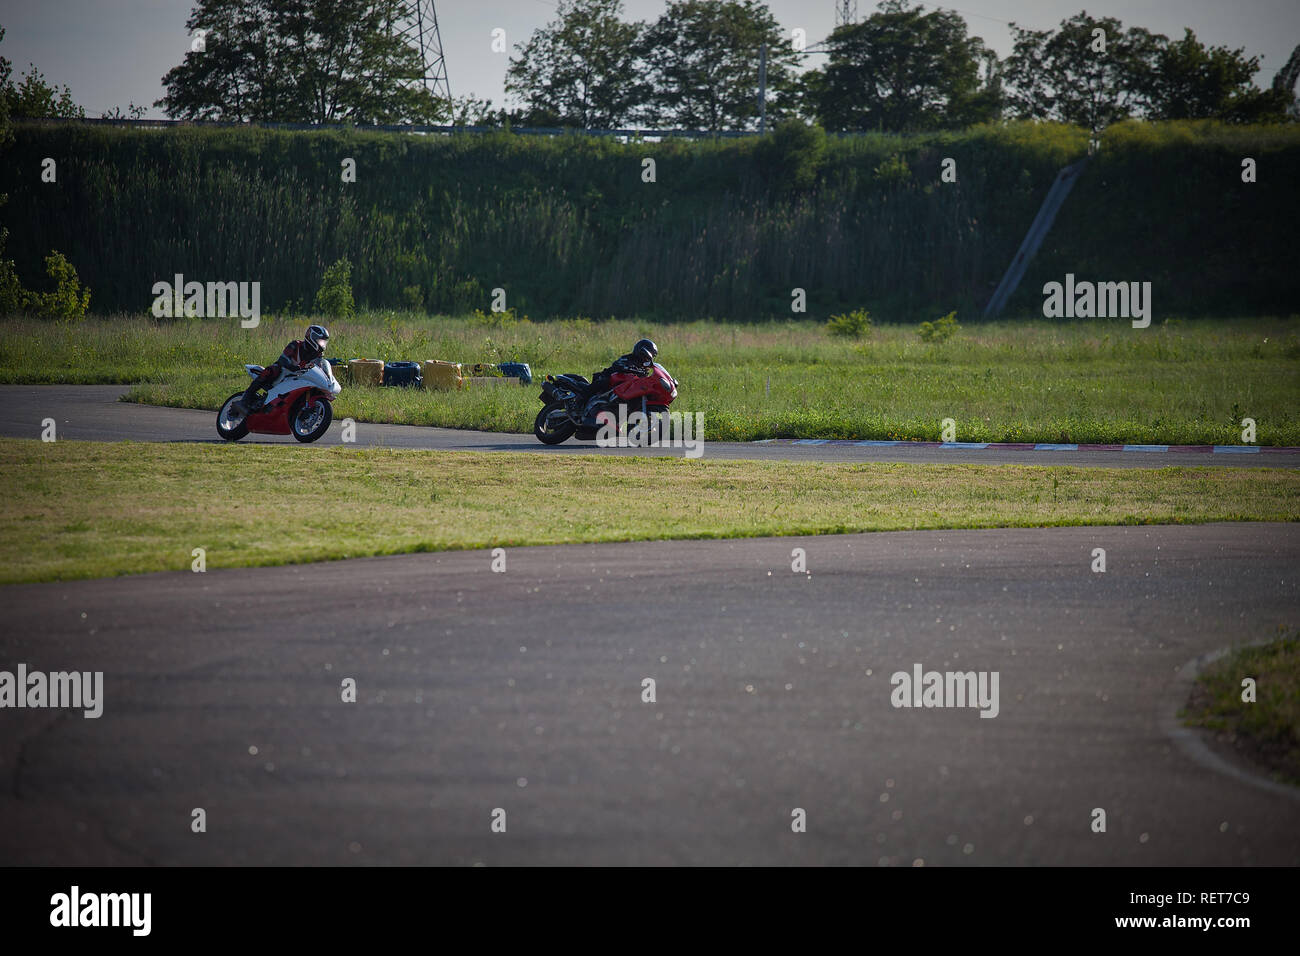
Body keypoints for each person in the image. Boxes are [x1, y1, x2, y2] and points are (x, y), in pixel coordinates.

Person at [234, 324, 330, 414]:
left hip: (300, 378)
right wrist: (292, 366)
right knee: (273, 370)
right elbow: (283, 359)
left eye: (323, 341)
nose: (321, 343)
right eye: (320, 340)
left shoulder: (318, 355)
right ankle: (245, 399)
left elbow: (319, 368)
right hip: (284, 372)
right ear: (311, 337)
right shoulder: (295, 345)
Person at [580, 338, 657, 425]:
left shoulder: (644, 369)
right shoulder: (627, 358)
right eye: (647, 355)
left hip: (624, 389)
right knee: (603, 382)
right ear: (641, 351)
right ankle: (579, 401)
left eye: (651, 356)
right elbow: (618, 365)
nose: (648, 358)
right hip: (609, 378)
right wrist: (628, 369)